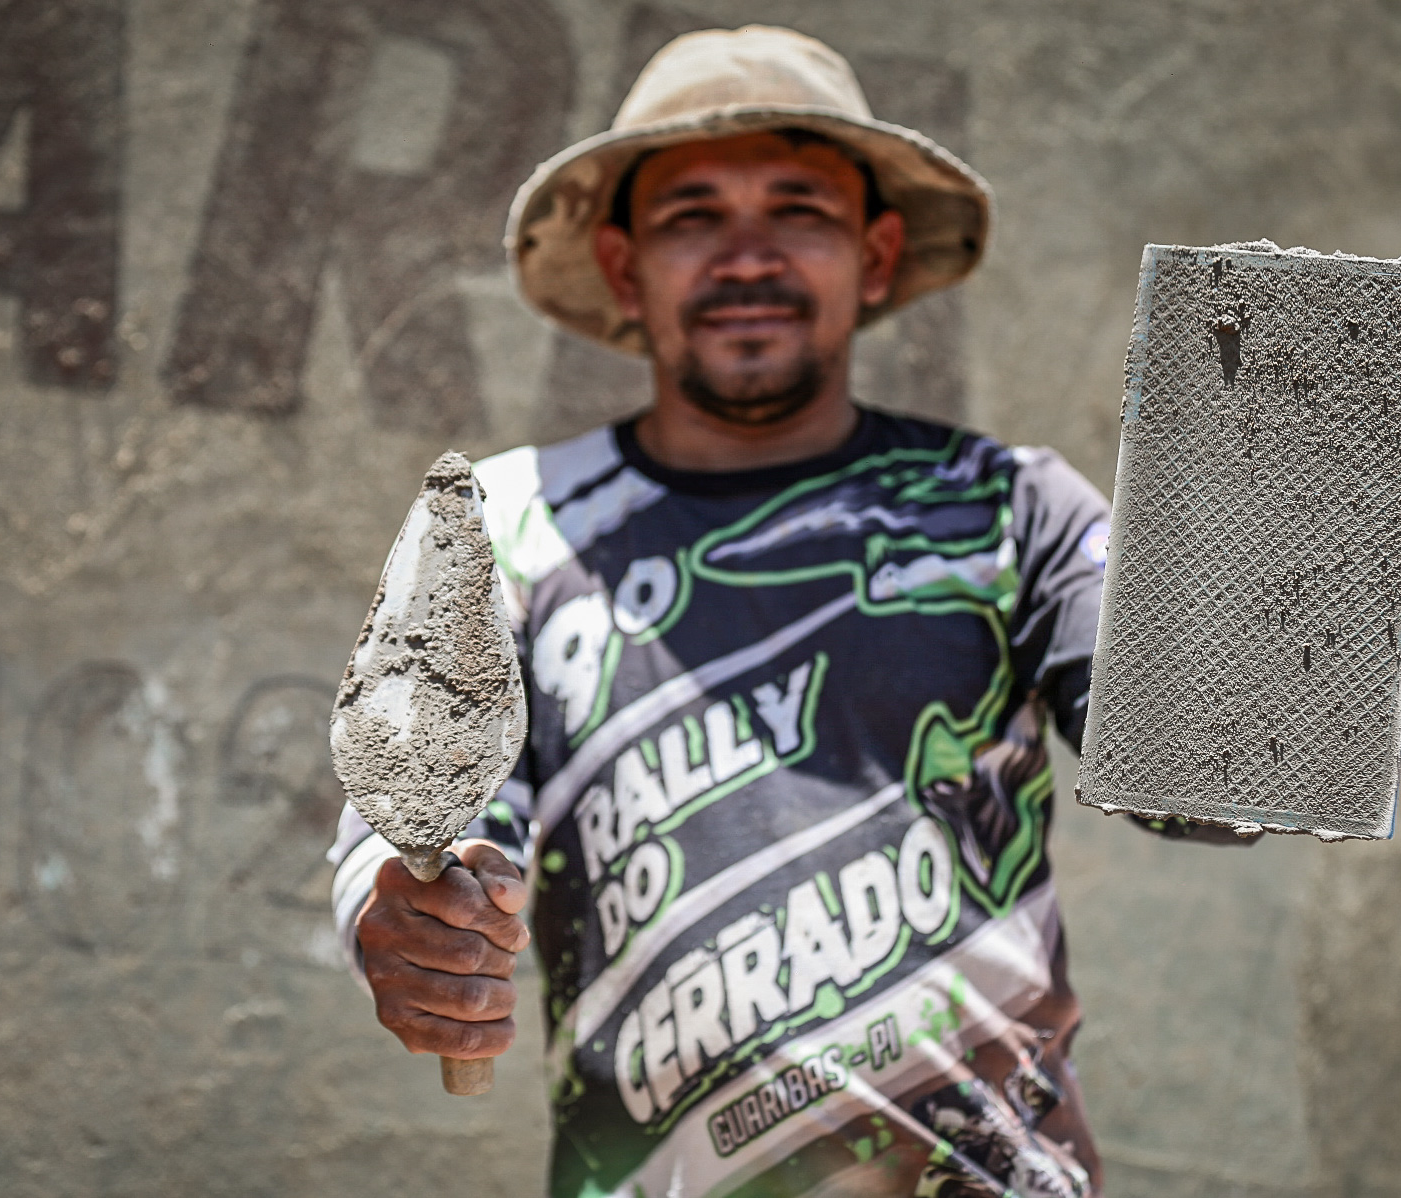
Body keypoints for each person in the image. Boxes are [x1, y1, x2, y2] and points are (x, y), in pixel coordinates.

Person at [329, 26, 1248, 1198]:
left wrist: (1266, 623)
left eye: (799, 211)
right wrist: (411, 919)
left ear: (873, 254)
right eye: (693, 216)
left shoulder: (1009, 508)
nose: (747, 256)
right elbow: (410, 834)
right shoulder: (510, 524)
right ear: (622, 266)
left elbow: (1206, 775)